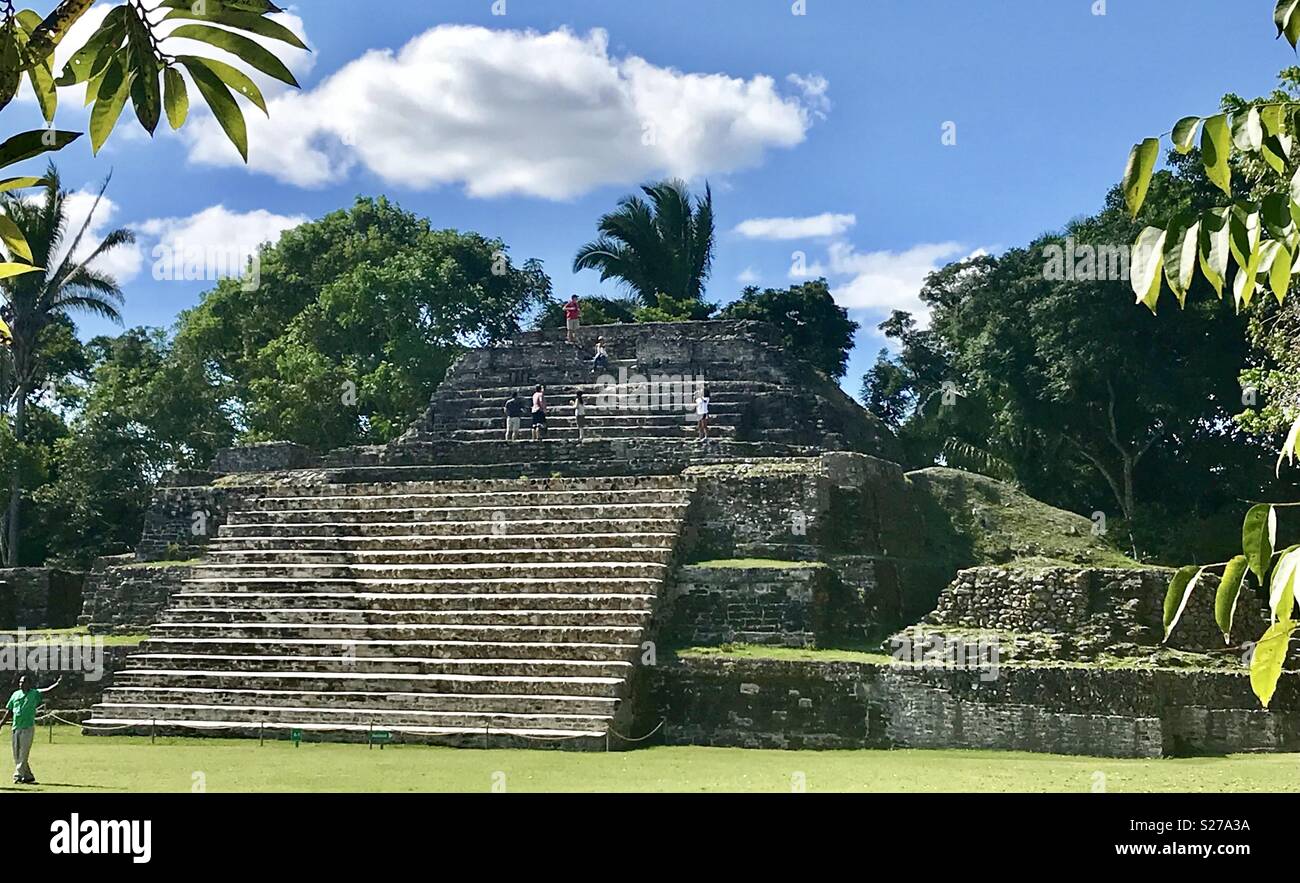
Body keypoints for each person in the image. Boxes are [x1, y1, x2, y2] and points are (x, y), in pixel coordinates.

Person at [1, 674, 62, 784]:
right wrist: (1, 723)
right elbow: (9, 711)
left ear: (29, 684)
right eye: (20, 682)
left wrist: (57, 684)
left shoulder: (34, 693)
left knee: (23, 754)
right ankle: (28, 776)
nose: (21, 684)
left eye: (23, 682)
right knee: (17, 755)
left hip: (27, 728)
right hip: (16, 727)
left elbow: (47, 691)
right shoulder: (15, 694)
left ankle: (18, 775)